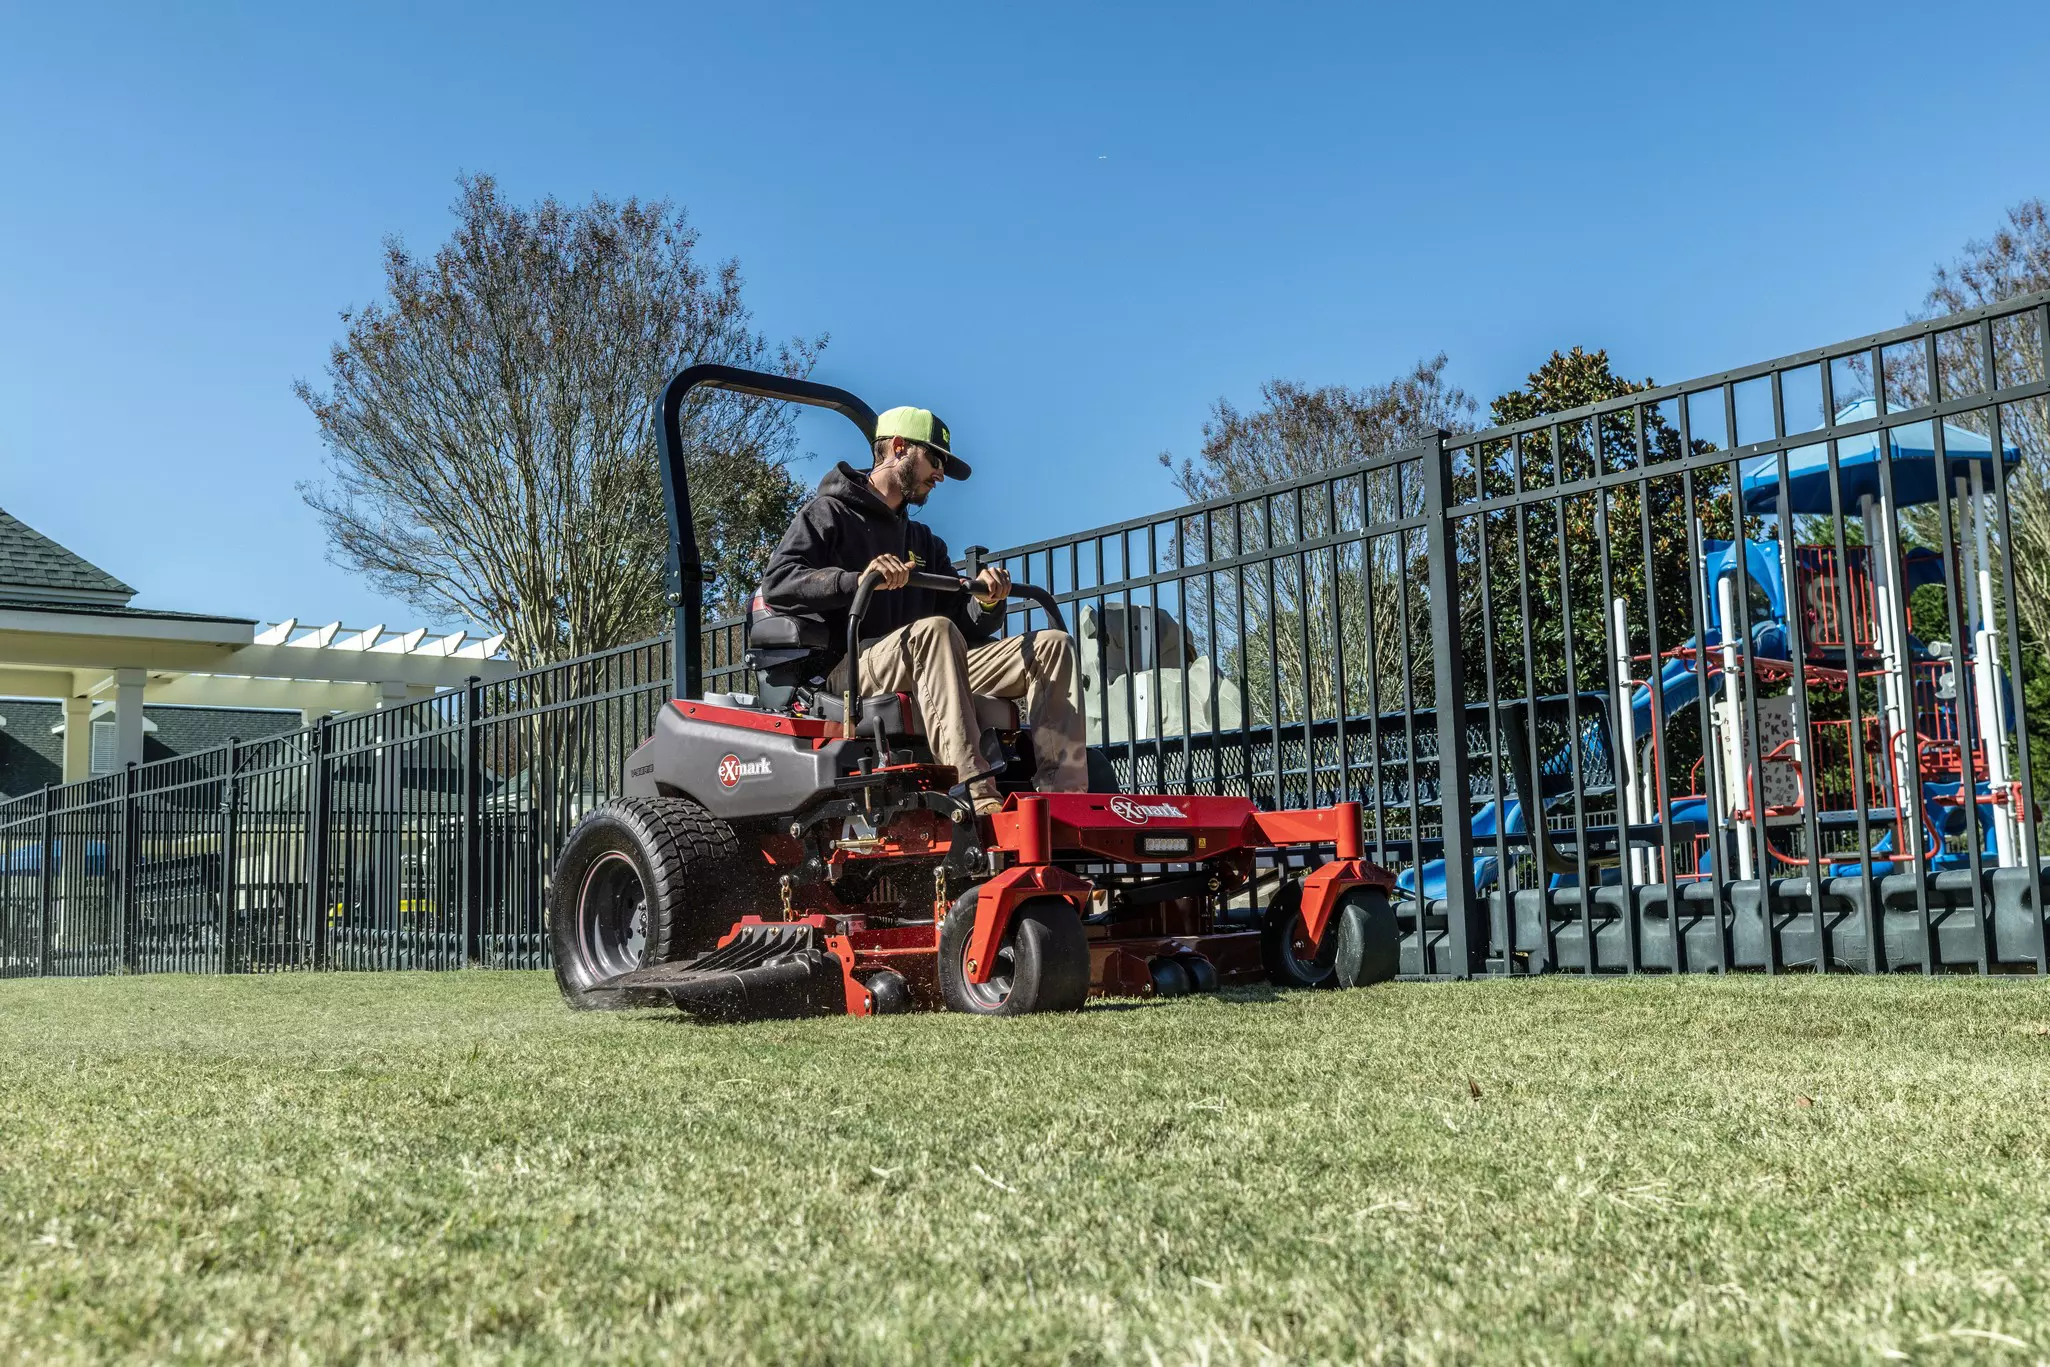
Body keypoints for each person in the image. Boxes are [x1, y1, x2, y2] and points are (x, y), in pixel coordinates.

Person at [758, 406, 1087, 813]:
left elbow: (960, 618)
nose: (940, 474)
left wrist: (986, 601)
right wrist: (858, 580)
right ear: (898, 448)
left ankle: (1066, 798)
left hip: (932, 656)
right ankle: (976, 794)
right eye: (935, 459)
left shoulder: (923, 540)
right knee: (934, 632)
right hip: (851, 665)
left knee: (1052, 644)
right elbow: (779, 582)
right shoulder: (828, 513)